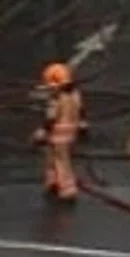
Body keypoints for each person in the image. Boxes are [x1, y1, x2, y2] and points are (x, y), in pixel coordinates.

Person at [33, 61, 84, 203]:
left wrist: (41, 132)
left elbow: (51, 117)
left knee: (61, 161)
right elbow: (81, 111)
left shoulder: (56, 97)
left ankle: (67, 189)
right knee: (51, 158)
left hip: (58, 134)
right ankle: (53, 181)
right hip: (71, 132)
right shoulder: (75, 94)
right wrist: (82, 127)